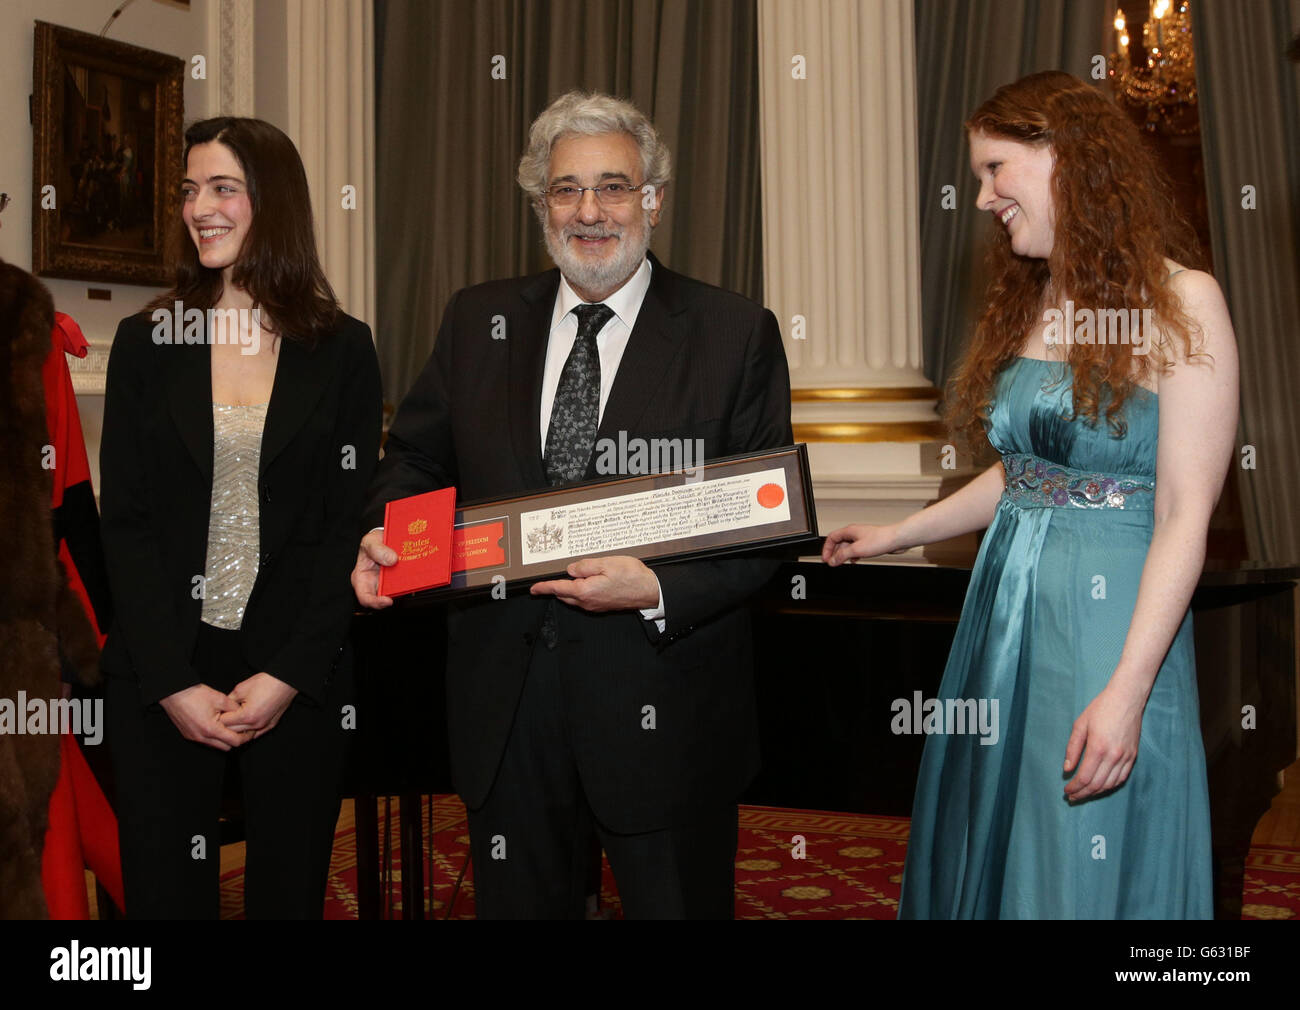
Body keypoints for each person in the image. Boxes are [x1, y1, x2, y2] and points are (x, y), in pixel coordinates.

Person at [353, 91, 792, 919]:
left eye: (613, 187)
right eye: (566, 189)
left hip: (662, 711)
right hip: (506, 712)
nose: (589, 212)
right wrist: (388, 534)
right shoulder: (477, 320)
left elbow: (764, 524)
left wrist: (656, 588)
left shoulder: (733, 334)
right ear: (541, 205)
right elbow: (416, 458)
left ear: (653, 200)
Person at [824, 71, 1237, 919]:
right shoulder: (1038, 295)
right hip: (1003, 612)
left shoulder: (1183, 302)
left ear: (1065, 157)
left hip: (1105, 624)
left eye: (995, 169)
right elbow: (1027, 471)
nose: (983, 198)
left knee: (1072, 853)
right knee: (994, 838)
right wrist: (899, 533)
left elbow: (1183, 514)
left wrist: (1126, 692)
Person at [99, 117, 382, 918]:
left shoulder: (342, 349)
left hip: (295, 673)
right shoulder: (146, 342)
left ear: (273, 200)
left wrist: (289, 675)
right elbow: (125, 525)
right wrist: (171, 682)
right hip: (163, 671)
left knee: (286, 897)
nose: (200, 208)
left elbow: (344, 528)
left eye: (223, 188)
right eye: (191, 190)